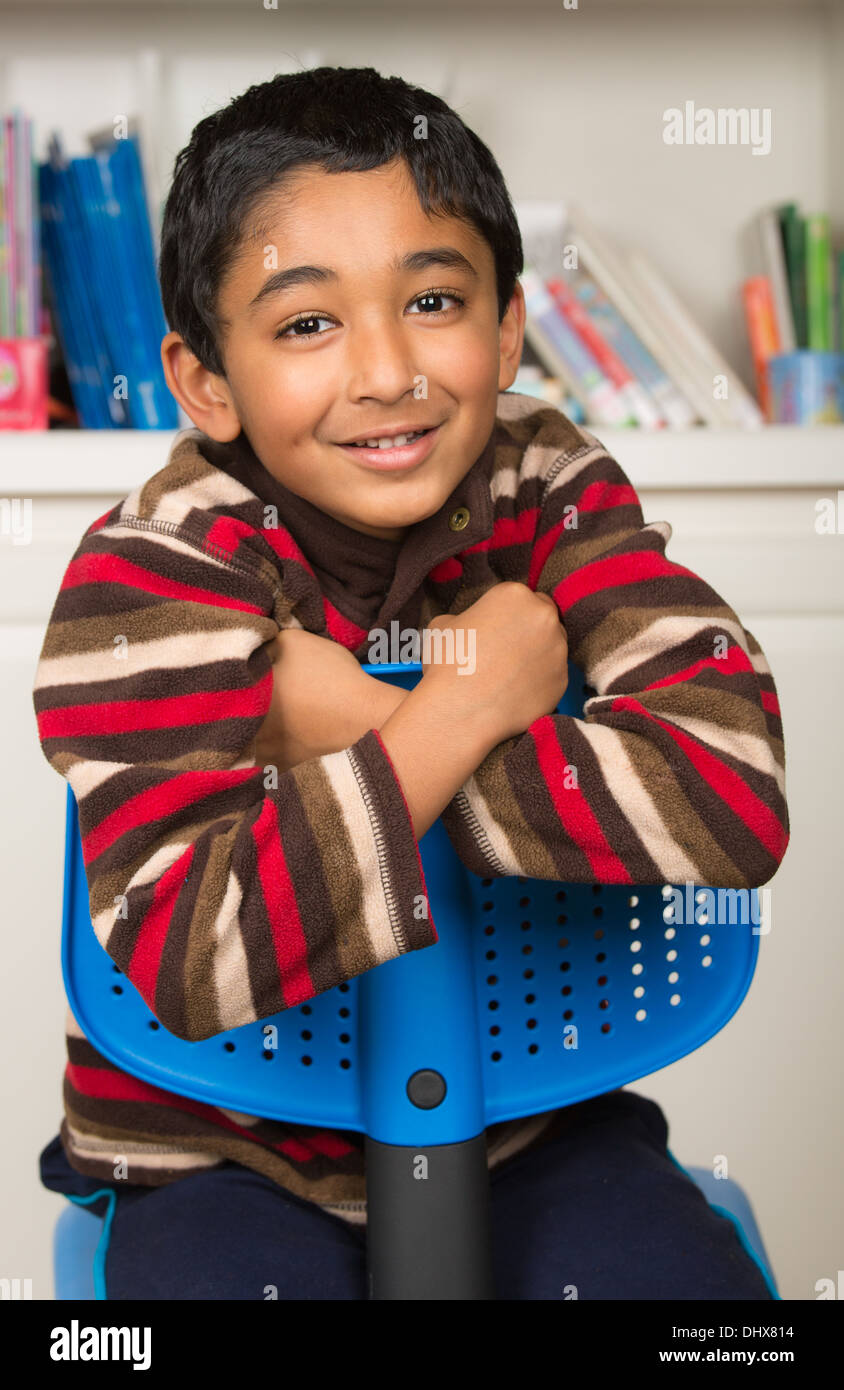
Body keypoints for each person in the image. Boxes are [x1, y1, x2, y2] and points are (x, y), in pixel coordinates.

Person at [34, 66, 787, 1300]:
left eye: (432, 299)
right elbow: (188, 960)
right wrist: (459, 705)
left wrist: (351, 718)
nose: (388, 371)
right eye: (306, 323)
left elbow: (729, 794)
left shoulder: (545, 485)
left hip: (528, 1126)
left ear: (505, 329)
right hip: (220, 1152)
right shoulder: (154, 571)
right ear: (205, 380)